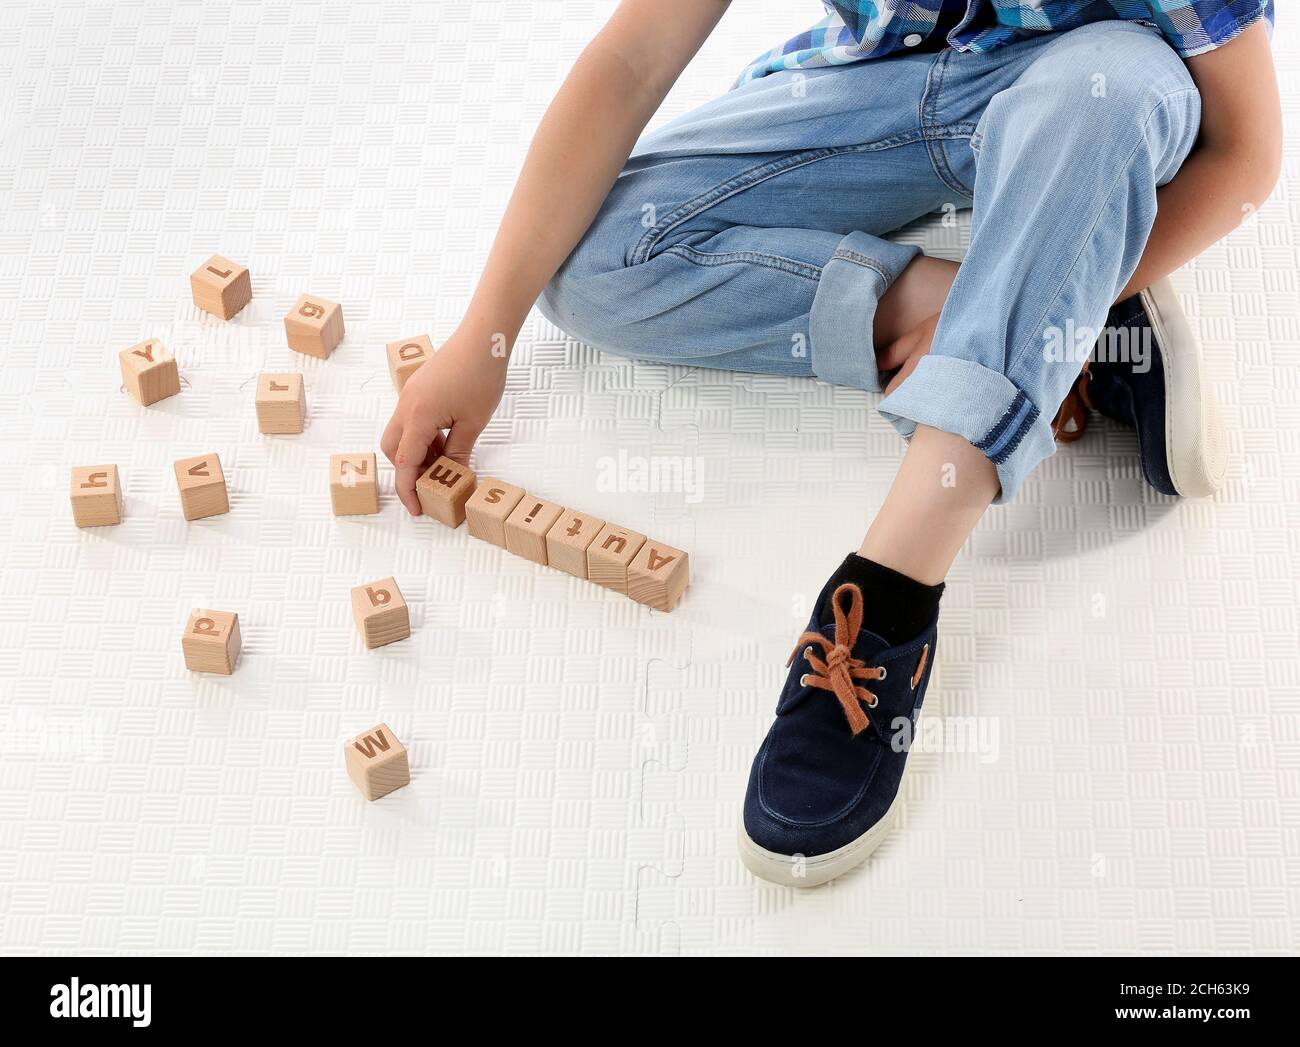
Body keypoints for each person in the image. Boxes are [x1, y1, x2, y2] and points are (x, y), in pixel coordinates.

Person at [381, 2, 1280, 886]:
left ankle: (888, 592)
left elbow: (1247, 152)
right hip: (883, 87)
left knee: (1106, 93)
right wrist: (483, 336)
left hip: (1093, 97)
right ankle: (1052, 314)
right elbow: (630, 62)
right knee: (591, 260)